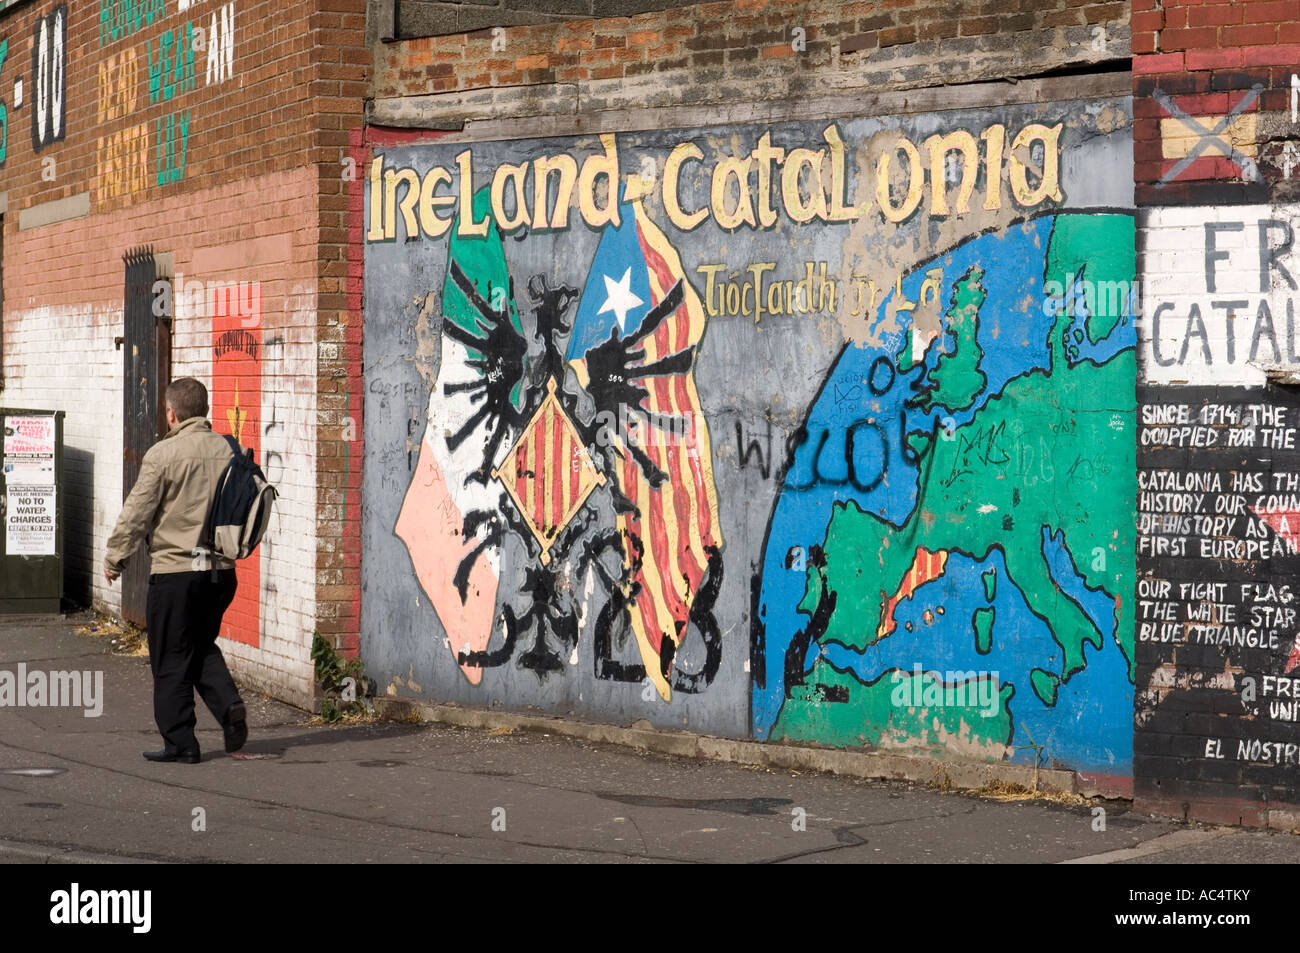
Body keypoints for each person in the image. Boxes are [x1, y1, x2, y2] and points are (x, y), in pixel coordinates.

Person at [104, 377, 248, 763]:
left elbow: (137, 513)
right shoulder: (229, 450)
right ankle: (230, 707)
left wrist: (115, 557)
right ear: (204, 409)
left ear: (172, 412)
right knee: (199, 645)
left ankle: (181, 742)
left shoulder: (162, 454)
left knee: (170, 657)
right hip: (220, 573)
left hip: (176, 574)